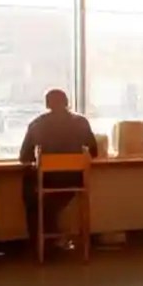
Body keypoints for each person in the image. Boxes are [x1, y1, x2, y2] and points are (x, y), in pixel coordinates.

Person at [19, 89, 98, 244]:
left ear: (47, 104)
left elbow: (24, 157)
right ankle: (55, 237)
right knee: (50, 205)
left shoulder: (36, 124)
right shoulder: (81, 122)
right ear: (67, 102)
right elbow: (94, 151)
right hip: (75, 180)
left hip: (45, 181)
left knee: (33, 196)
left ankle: (39, 243)